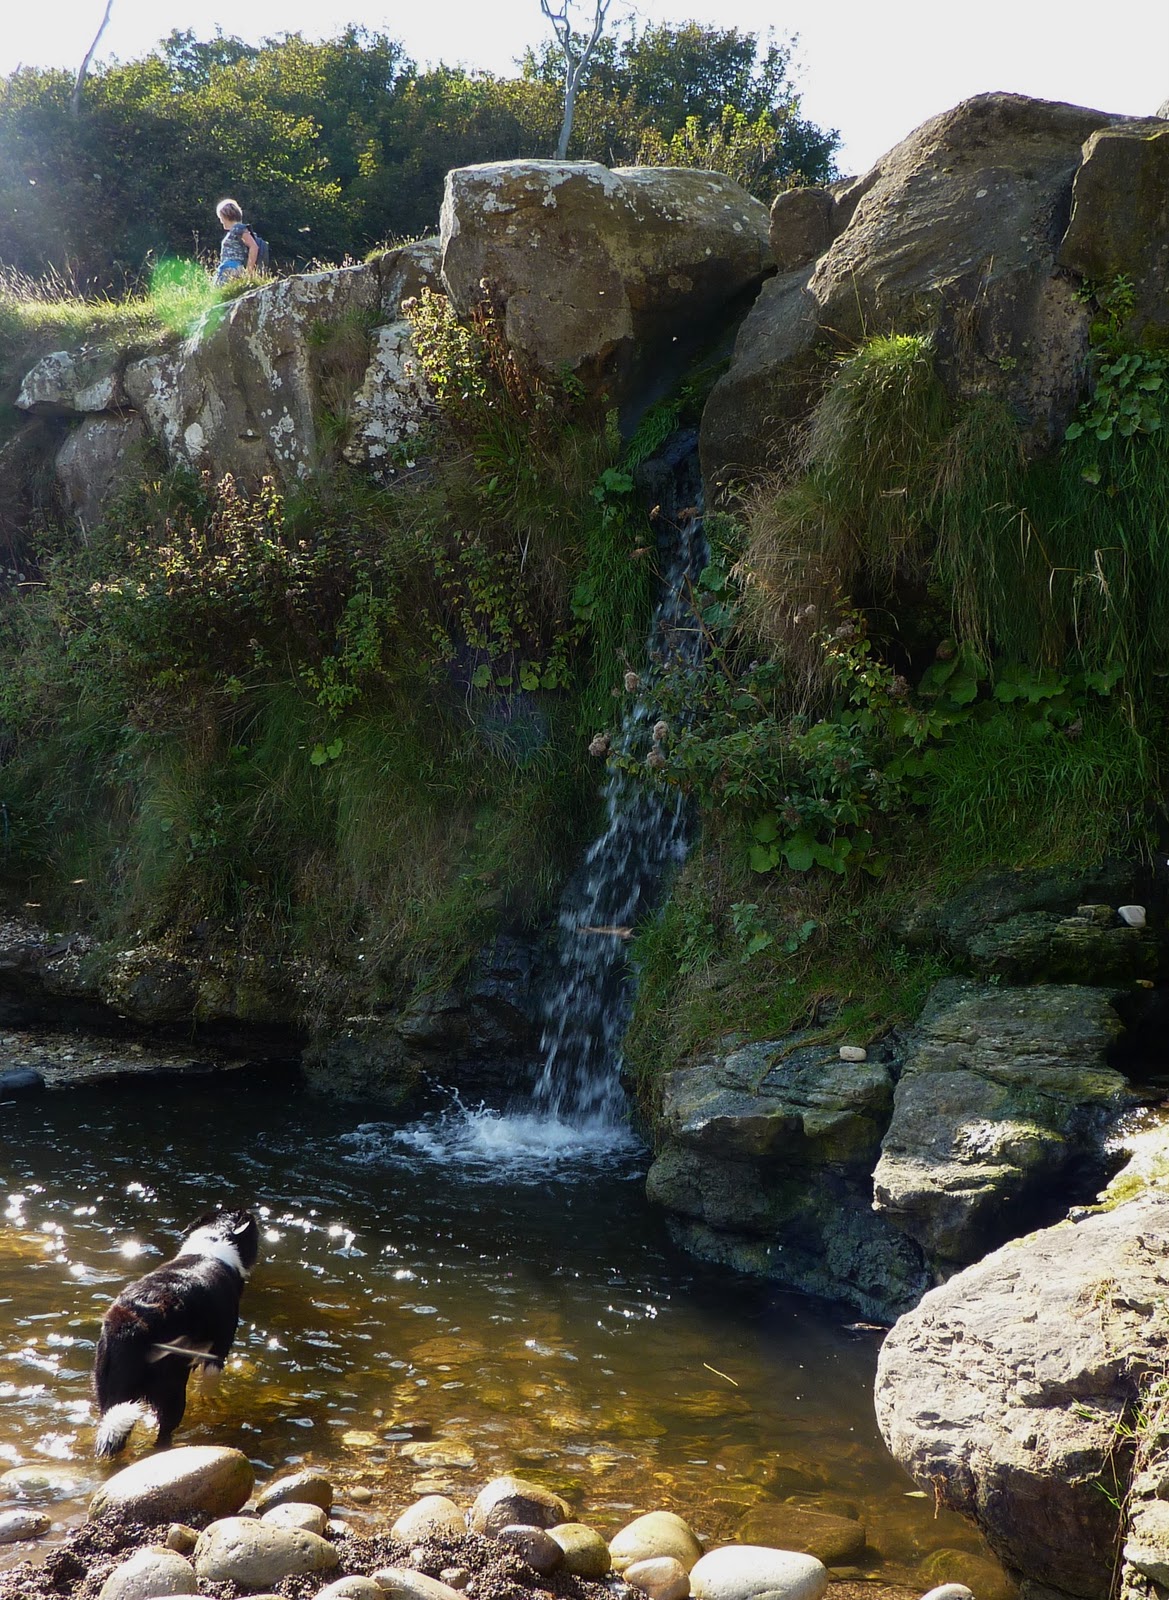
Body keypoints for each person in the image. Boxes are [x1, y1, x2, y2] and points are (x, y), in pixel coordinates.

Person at [214, 198, 259, 285]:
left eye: (221, 217)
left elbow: (254, 247)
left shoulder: (238, 228)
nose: (221, 221)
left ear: (226, 215)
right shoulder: (235, 230)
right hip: (227, 268)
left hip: (231, 269)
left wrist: (249, 272)